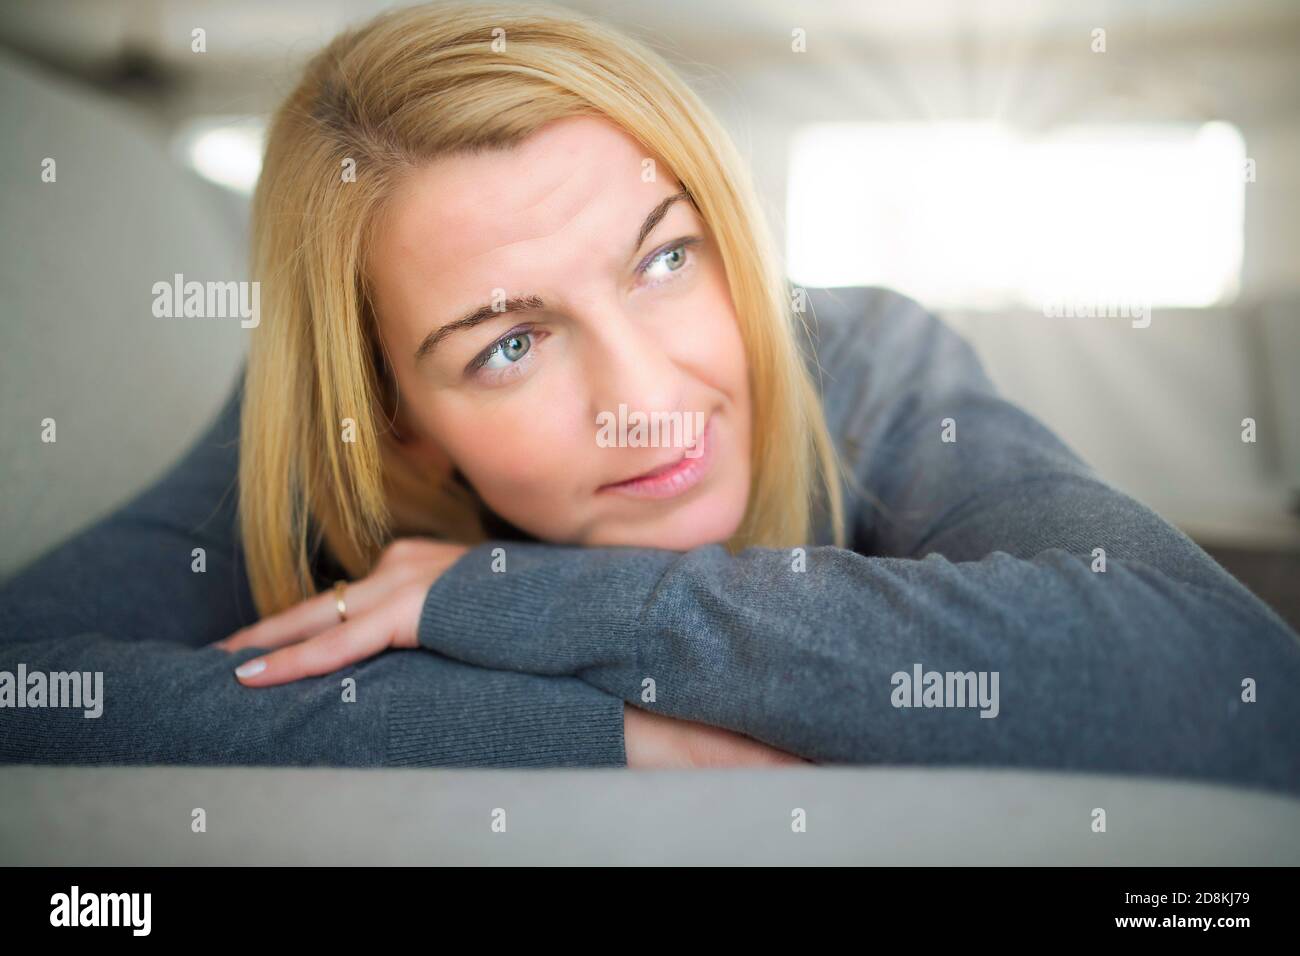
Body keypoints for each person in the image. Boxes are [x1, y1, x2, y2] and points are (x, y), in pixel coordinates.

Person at [3, 1, 1298, 789]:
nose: (644, 398)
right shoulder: (320, 437)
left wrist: (501, 596)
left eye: (667, 259)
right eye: (507, 343)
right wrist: (608, 737)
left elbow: (1236, 686)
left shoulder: (869, 362)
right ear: (395, 409)